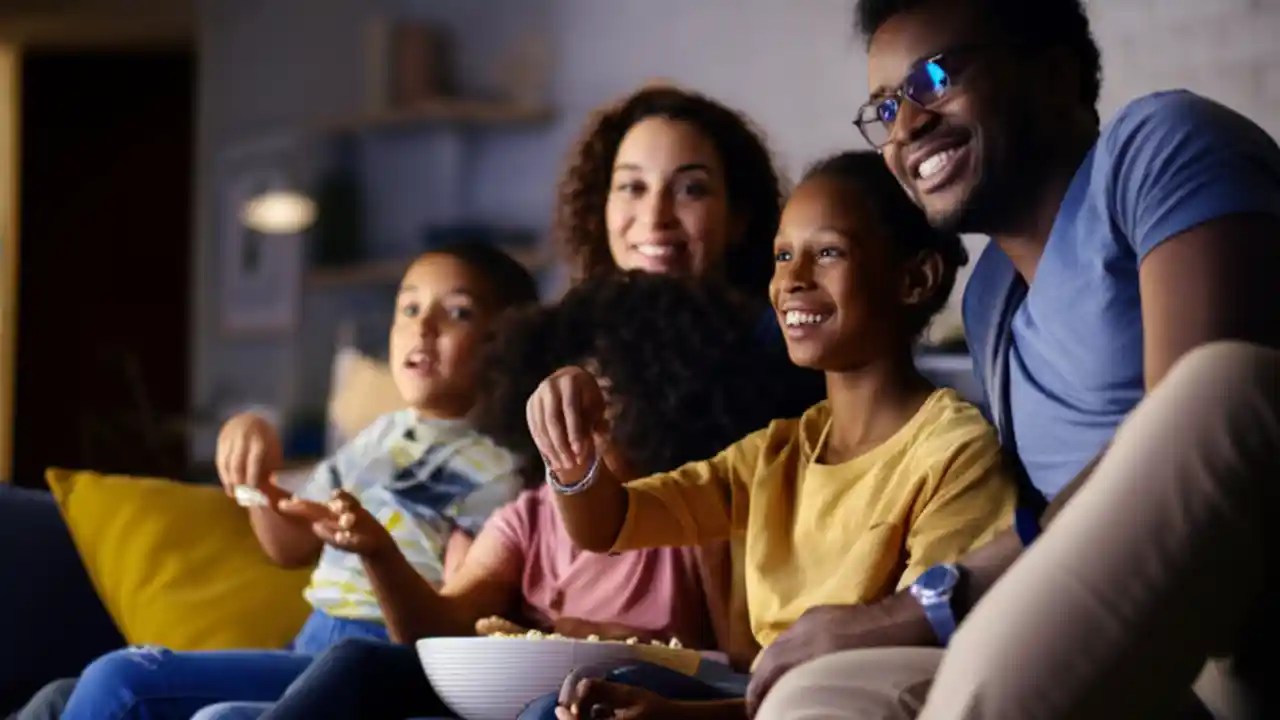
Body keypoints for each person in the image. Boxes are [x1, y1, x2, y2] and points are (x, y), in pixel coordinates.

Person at [748, 2, 1280, 718]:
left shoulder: (1158, 147)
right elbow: (1047, 521)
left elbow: (1199, 443)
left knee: (1221, 385)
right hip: (1123, 648)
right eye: (884, 106)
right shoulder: (991, 296)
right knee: (819, 692)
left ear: (1052, 74)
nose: (907, 125)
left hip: (1237, 617)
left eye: (936, 78)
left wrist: (921, 606)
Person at [533, 151, 1017, 720]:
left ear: (915, 278)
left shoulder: (954, 453)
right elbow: (608, 524)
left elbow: (911, 671)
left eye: (828, 252)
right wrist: (569, 446)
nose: (791, 280)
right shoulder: (778, 454)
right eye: (782, 255)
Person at [237, 272, 785, 720]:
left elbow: (741, 665)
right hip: (499, 697)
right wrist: (378, 551)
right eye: (560, 399)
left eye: (601, 399)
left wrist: (619, 642)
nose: (576, 420)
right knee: (355, 660)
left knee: (571, 698)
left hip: (617, 698)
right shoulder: (529, 515)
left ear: (659, 402)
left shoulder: (694, 515)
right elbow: (442, 629)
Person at [51, 244, 539, 720]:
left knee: (124, 681)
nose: (422, 327)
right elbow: (288, 544)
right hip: (309, 644)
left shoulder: (500, 473)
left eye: (457, 313)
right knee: (64, 694)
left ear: (509, 341)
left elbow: (451, 629)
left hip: (376, 660)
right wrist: (256, 470)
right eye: (408, 307)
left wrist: (377, 552)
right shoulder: (381, 437)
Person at [556, 83, 824, 418]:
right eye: (633, 187)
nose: (656, 217)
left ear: (739, 216)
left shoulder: (785, 347)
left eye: (690, 190)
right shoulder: (568, 341)